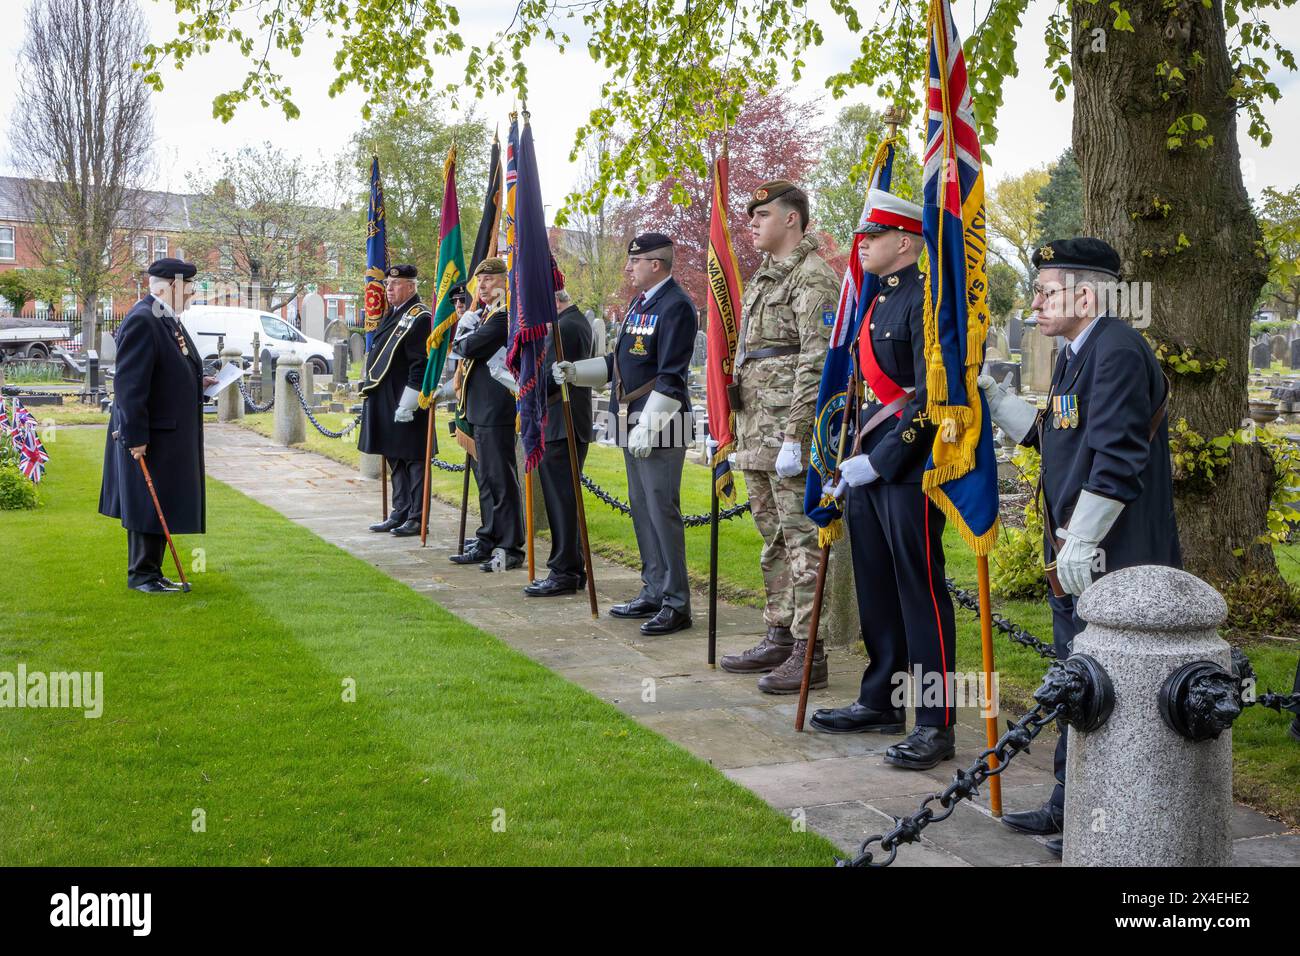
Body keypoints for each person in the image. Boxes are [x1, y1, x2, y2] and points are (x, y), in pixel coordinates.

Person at [980, 236, 1179, 856]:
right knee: (1081, 680)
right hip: (1078, 551)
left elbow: (1119, 459)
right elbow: (1057, 436)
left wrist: (1082, 538)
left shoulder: (1116, 351)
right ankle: (1073, 802)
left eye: (1045, 291)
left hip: (1113, 553)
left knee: (1113, 687)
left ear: (1086, 294)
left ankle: (1113, 822)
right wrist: (998, 399)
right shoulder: (1077, 351)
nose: (1033, 302)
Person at [809, 190, 960, 773]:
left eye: (872, 237)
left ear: (905, 241)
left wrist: (886, 459)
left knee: (919, 590)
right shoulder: (872, 302)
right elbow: (862, 390)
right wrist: (850, 455)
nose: (862, 245)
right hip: (864, 461)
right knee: (874, 584)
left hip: (908, 468)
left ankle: (933, 719)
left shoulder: (926, 301)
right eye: (861, 237)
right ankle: (881, 698)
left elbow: (931, 396)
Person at [719, 180, 840, 694]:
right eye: (750, 217)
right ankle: (780, 631)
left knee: (802, 542)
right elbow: (750, 360)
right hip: (755, 431)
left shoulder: (812, 279)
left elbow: (817, 363)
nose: (752, 224)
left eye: (762, 214)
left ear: (792, 218)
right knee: (773, 539)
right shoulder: (765, 279)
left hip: (788, 434)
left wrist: (797, 435)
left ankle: (810, 651)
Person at [553, 232, 698, 634]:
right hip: (633, 414)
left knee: (661, 510)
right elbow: (618, 363)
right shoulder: (640, 304)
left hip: (665, 420)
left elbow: (672, 377)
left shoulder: (677, 307)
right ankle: (653, 589)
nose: (628, 267)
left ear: (656, 264)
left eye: (635, 261)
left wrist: (648, 426)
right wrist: (577, 372)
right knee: (641, 509)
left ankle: (676, 602)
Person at [98, 258, 212, 593]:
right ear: (170, 286)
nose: (192, 292)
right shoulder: (144, 319)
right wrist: (135, 437)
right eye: (188, 286)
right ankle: (142, 575)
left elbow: (166, 369)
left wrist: (197, 381)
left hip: (166, 431)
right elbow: (130, 386)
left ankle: (153, 571)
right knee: (148, 504)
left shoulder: (165, 319)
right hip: (148, 434)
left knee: (159, 500)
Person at [450, 257, 525, 571]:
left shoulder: (504, 316)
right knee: (486, 479)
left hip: (497, 407)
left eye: (489, 280)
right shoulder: (484, 315)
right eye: (479, 281)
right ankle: (488, 537)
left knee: (500, 479)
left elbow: (468, 348)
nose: (482, 286)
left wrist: (465, 331)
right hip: (479, 407)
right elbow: (462, 348)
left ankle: (510, 546)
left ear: (504, 282)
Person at [525, 262, 595, 597]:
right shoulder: (570, 321)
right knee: (561, 500)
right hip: (560, 423)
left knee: (562, 502)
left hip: (561, 424)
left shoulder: (564, 327)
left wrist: (522, 387)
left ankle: (565, 570)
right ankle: (570, 566)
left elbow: (548, 379)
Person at [358, 264, 433, 537]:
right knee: (395, 458)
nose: (388, 289)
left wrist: (409, 402)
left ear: (411, 287)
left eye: (395, 285)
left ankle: (417, 517)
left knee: (413, 459)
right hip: (386, 397)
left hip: (406, 401)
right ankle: (400, 511)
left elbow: (420, 363)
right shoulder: (395, 314)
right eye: (388, 284)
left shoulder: (420, 317)